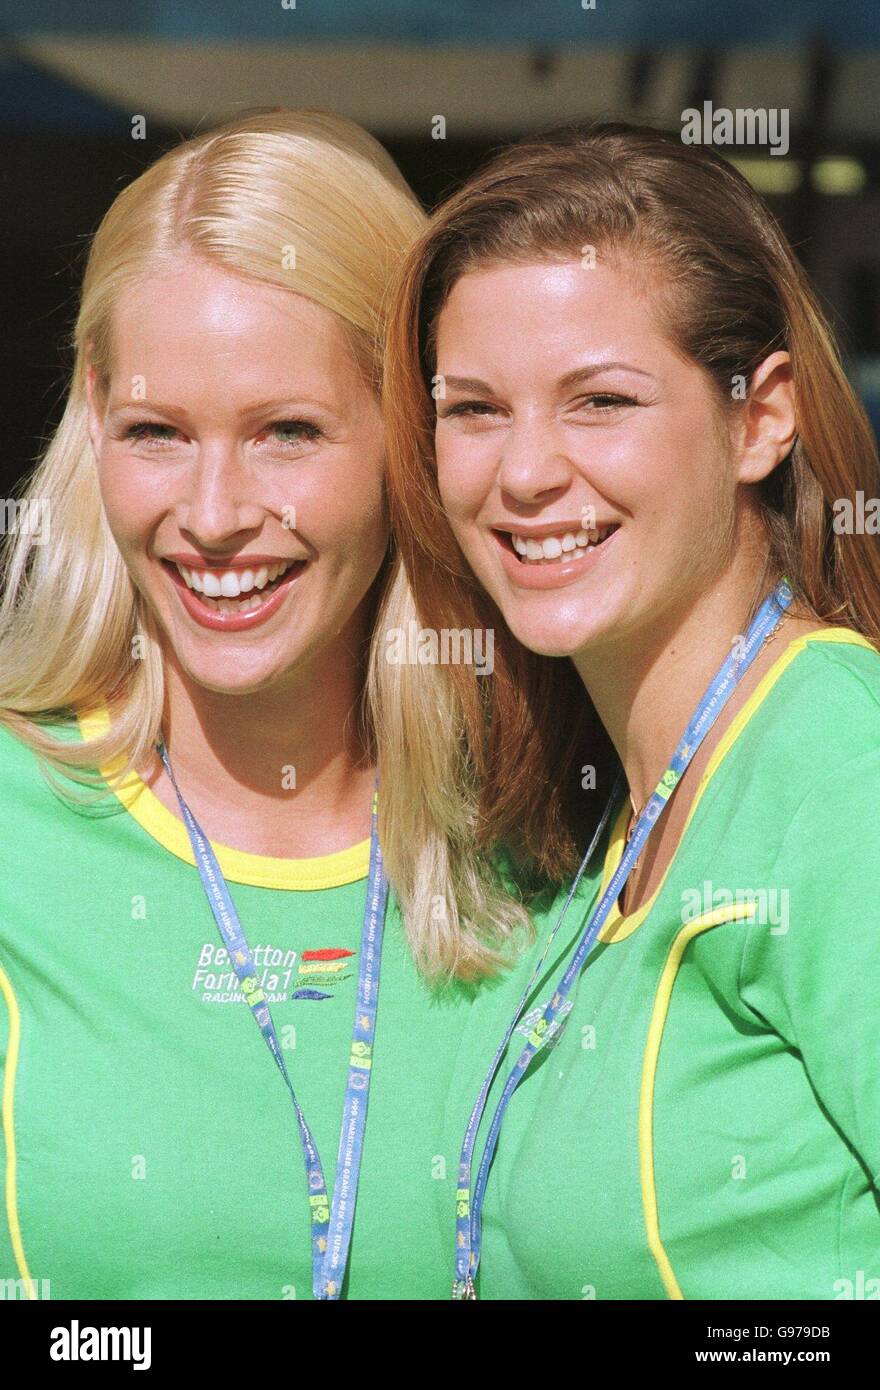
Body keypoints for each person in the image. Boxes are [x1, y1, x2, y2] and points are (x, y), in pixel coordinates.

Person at [0, 107, 504, 1302]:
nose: (216, 512)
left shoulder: (562, 830)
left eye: (286, 431)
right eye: (156, 432)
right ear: (92, 413)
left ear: (407, 428)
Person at [377, 122, 880, 1299]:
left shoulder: (837, 764)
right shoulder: (605, 806)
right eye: (476, 409)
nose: (526, 472)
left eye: (599, 400)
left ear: (763, 417)